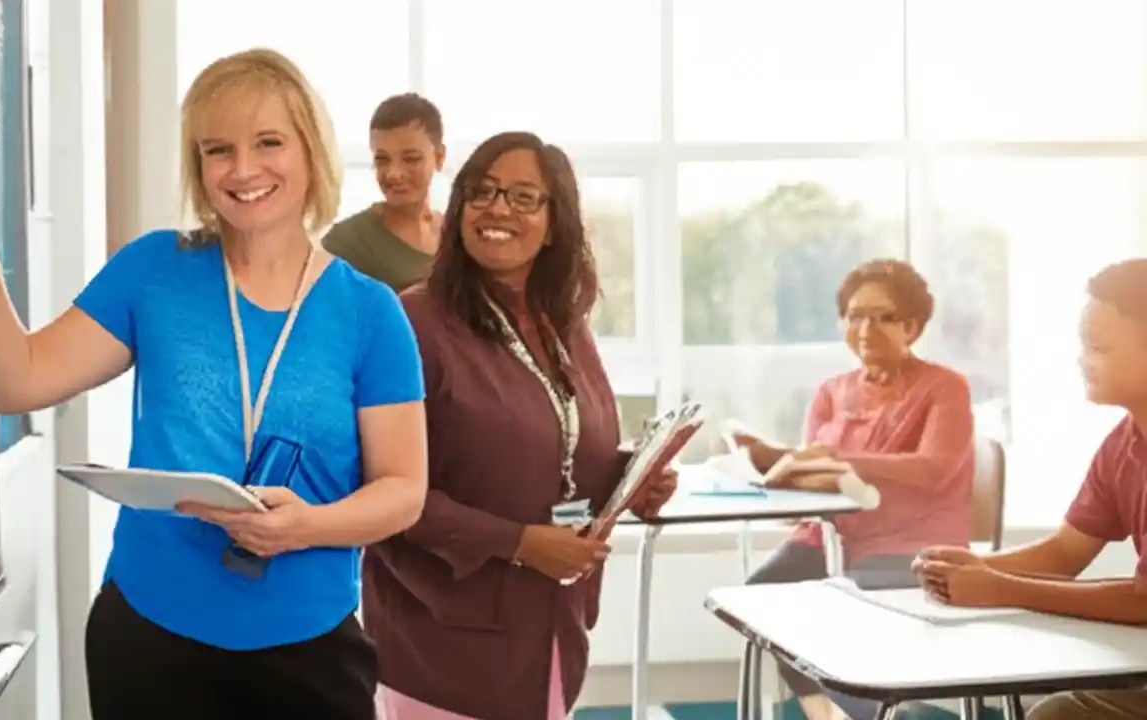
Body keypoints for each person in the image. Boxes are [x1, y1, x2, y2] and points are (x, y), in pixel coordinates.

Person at [0, 47, 427, 720]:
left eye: (268, 142)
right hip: (151, 638)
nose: (243, 170)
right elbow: (19, 380)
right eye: (218, 149)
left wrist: (306, 527)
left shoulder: (370, 311)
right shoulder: (154, 270)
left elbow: (403, 491)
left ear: (311, 149)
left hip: (308, 651)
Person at [360, 131, 678, 720]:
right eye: (483, 192)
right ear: (459, 211)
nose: (499, 208)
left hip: (551, 628)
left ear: (555, 222)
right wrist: (519, 544)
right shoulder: (413, 322)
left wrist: (631, 480)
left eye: (524, 196)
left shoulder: (564, 324)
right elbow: (381, 490)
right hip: (443, 644)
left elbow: (558, 450)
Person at [735, 259, 975, 720]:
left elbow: (933, 470)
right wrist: (774, 464)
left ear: (913, 325)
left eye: (883, 316)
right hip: (830, 535)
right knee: (761, 601)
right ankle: (833, 713)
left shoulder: (945, 388)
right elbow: (813, 471)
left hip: (913, 544)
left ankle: (880, 713)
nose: (866, 327)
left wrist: (834, 460)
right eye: (855, 315)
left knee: (833, 611)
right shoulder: (831, 390)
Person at [916, 258, 1147, 720]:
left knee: (1053, 716)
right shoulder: (1125, 440)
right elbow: (1066, 551)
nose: (1083, 361)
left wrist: (1000, 587)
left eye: (1098, 347)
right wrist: (974, 568)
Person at [322, 92, 445, 291]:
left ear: (439, 158)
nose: (394, 174)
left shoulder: (459, 234)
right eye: (382, 160)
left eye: (411, 159)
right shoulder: (348, 243)